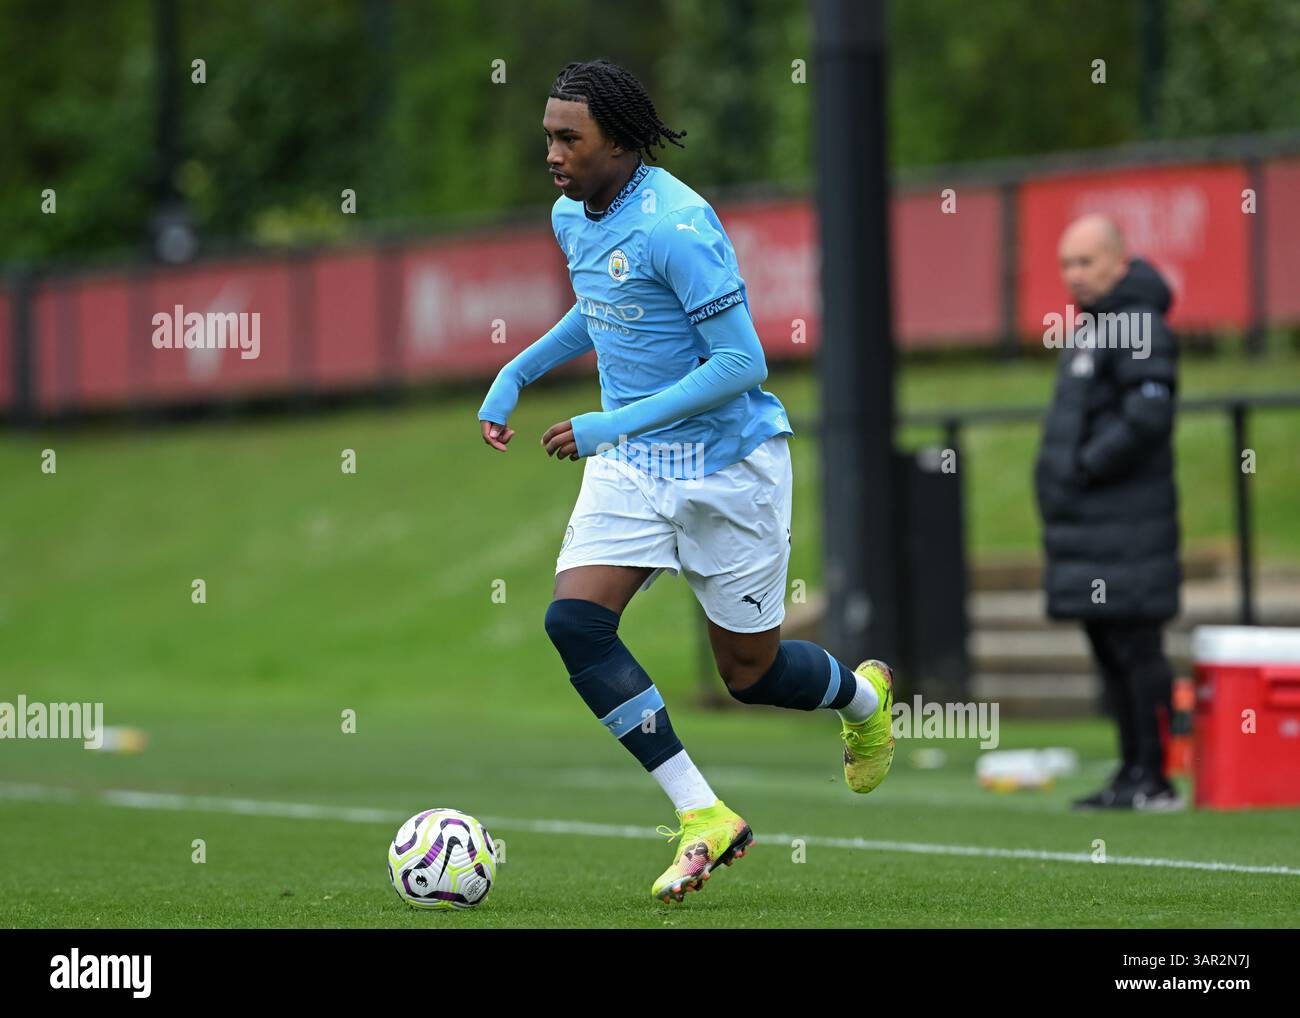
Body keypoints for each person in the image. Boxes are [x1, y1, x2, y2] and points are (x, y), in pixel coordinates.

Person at [478, 59, 895, 903]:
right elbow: (602, 308)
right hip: (634, 467)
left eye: (570, 137)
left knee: (752, 675)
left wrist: (609, 423)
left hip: (726, 468)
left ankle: (861, 698)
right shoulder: (572, 215)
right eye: (548, 136)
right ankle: (702, 814)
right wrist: (518, 372)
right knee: (575, 623)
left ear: (622, 141)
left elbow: (744, 362)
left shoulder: (680, 224)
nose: (553, 153)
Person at [1034, 213, 1183, 811]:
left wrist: (1086, 466)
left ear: (1120, 262)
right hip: (1092, 531)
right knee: (1109, 649)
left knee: (1136, 648)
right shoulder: (1094, 329)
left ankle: (1155, 777)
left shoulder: (1138, 323)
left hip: (1127, 528)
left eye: (1086, 262)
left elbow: (1148, 415)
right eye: (1067, 264)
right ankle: (1130, 773)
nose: (1075, 275)